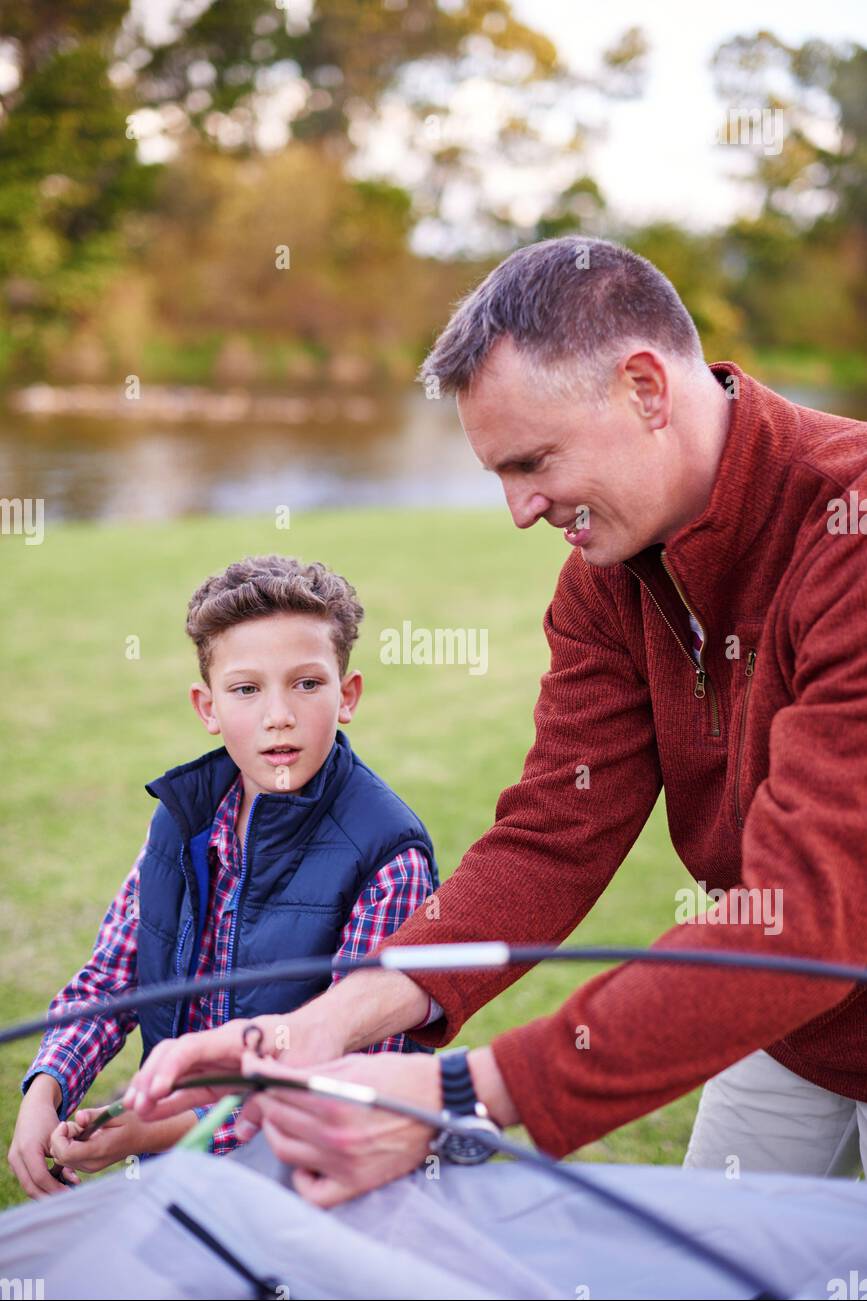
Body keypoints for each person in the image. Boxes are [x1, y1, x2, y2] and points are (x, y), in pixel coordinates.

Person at [128, 235, 867, 1206]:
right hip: (779, 1023)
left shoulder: (848, 526)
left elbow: (813, 919)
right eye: (497, 474)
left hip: (791, 964)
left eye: (533, 461)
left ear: (645, 389)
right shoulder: (606, 578)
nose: (520, 510)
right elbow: (552, 838)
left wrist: (458, 1092)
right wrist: (329, 1018)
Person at [8, 554, 438, 1198]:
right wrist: (48, 1087)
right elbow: (112, 976)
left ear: (347, 696)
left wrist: (157, 1131)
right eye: (246, 689)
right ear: (207, 707)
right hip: (179, 1181)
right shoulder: (182, 821)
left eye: (306, 684)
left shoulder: (387, 855)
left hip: (314, 1191)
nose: (278, 715)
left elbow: (344, 1084)